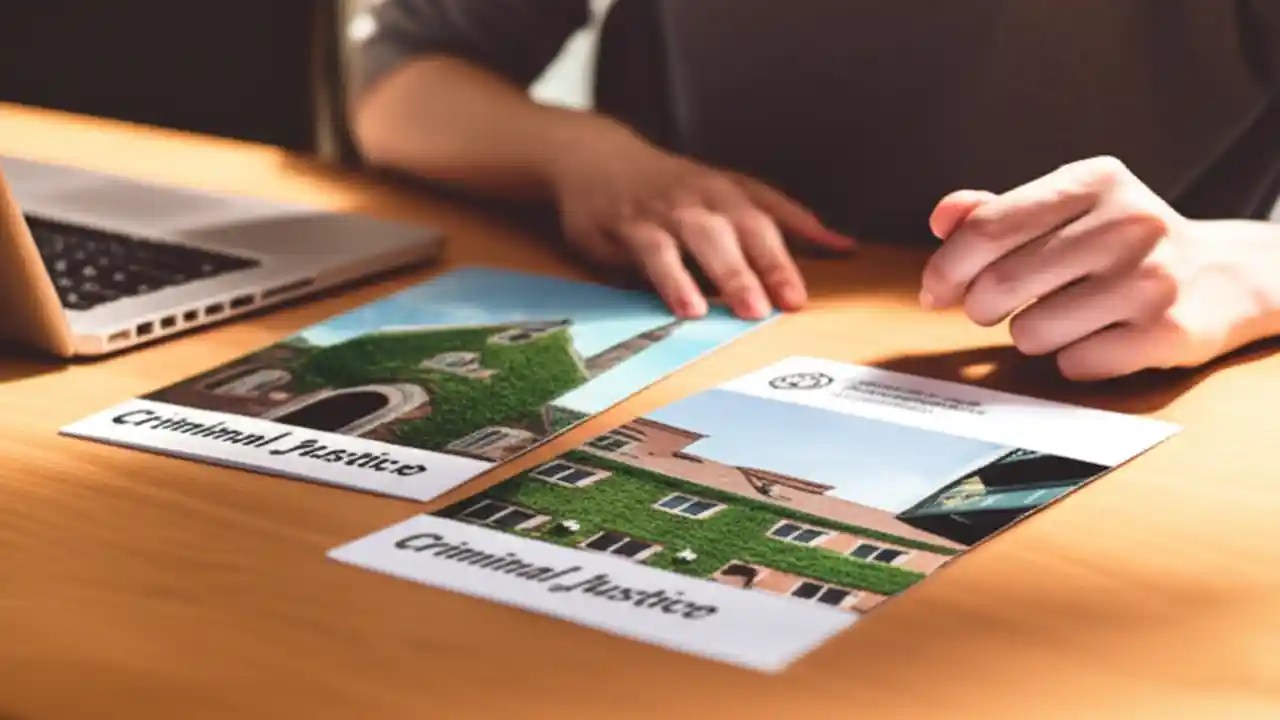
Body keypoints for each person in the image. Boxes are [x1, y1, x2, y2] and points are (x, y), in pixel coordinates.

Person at [346, 1, 1280, 381]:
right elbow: (398, 82)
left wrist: (1250, 265)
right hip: (694, 335)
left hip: (1125, 388)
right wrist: (579, 156)